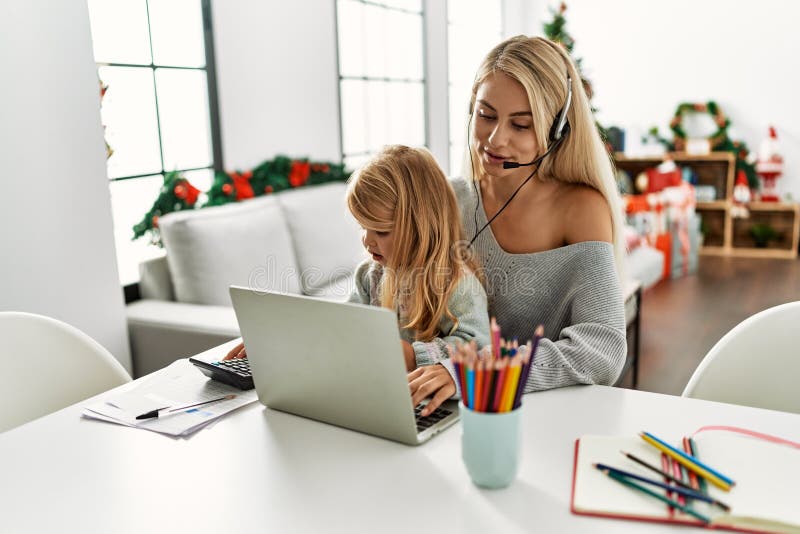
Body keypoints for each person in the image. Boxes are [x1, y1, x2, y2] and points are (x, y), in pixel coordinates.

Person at [408, 35, 627, 414]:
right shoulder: (447, 199)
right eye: (486, 115)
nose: (496, 139)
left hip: (539, 417)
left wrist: (474, 374)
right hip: (443, 409)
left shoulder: (580, 209)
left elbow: (602, 347)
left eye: (521, 125)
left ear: (556, 130)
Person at [227, 145, 490, 416]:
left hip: (429, 406)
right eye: (363, 226)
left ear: (423, 225)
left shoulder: (458, 283)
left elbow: (479, 347)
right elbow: (343, 324)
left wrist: (413, 356)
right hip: (374, 398)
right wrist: (286, 336)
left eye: (381, 230)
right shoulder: (371, 275)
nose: (367, 239)